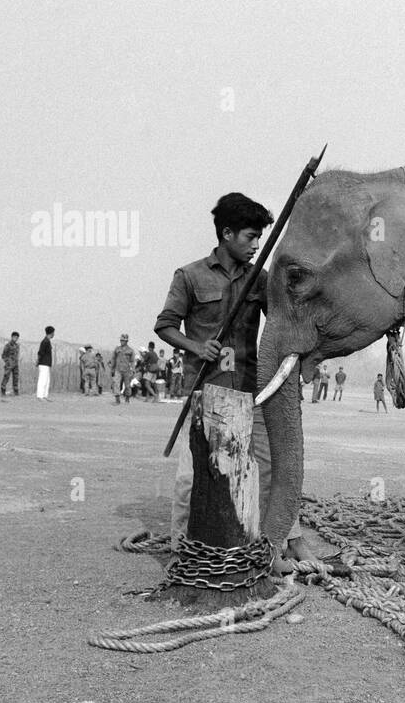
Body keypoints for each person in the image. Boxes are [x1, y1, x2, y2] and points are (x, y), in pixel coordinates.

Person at [154, 191, 316, 565]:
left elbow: (287, 316)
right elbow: (164, 325)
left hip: (251, 392)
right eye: (249, 237)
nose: (257, 245)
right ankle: (183, 551)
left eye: (261, 237)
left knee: (269, 467)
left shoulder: (260, 280)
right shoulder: (189, 276)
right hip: (205, 392)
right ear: (226, 234)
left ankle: (277, 541)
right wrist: (196, 347)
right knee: (192, 477)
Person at [111, 334, 136, 404]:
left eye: (123, 340)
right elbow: (113, 358)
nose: (121, 341)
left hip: (127, 370)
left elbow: (132, 361)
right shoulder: (117, 349)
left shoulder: (130, 350)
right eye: (121, 340)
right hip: (118, 369)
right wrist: (112, 368)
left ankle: (127, 398)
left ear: (126, 341)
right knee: (116, 383)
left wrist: (133, 370)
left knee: (127, 385)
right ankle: (117, 399)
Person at [35, 326, 55, 400]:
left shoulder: (47, 341)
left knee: (47, 380)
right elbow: (40, 352)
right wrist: (38, 361)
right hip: (43, 363)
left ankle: (45, 395)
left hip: (47, 364)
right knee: (42, 380)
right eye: (53, 333)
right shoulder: (45, 341)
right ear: (51, 333)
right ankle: (40, 396)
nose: (54, 334)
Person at [0, 331, 20, 397]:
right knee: (6, 377)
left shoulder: (17, 346)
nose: (16, 339)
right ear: (12, 337)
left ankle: (16, 391)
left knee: (16, 378)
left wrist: (16, 361)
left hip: (15, 364)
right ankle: (3, 391)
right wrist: (8, 362)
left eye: (17, 337)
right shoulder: (8, 345)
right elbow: (3, 355)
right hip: (9, 365)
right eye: (14, 337)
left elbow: (16, 355)